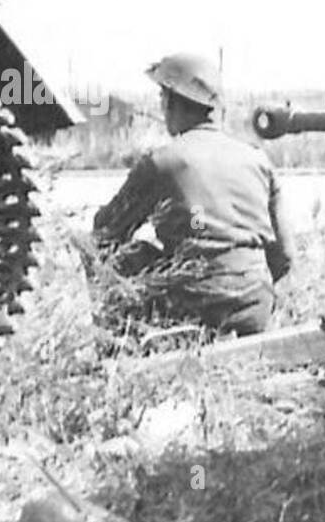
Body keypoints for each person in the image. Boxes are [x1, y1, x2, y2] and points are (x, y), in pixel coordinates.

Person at [93, 52, 296, 336]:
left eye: (163, 98)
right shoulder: (258, 161)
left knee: (115, 251)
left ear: (174, 102)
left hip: (195, 306)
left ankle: (118, 344)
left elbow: (105, 232)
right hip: (255, 307)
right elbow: (284, 256)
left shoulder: (162, 162)